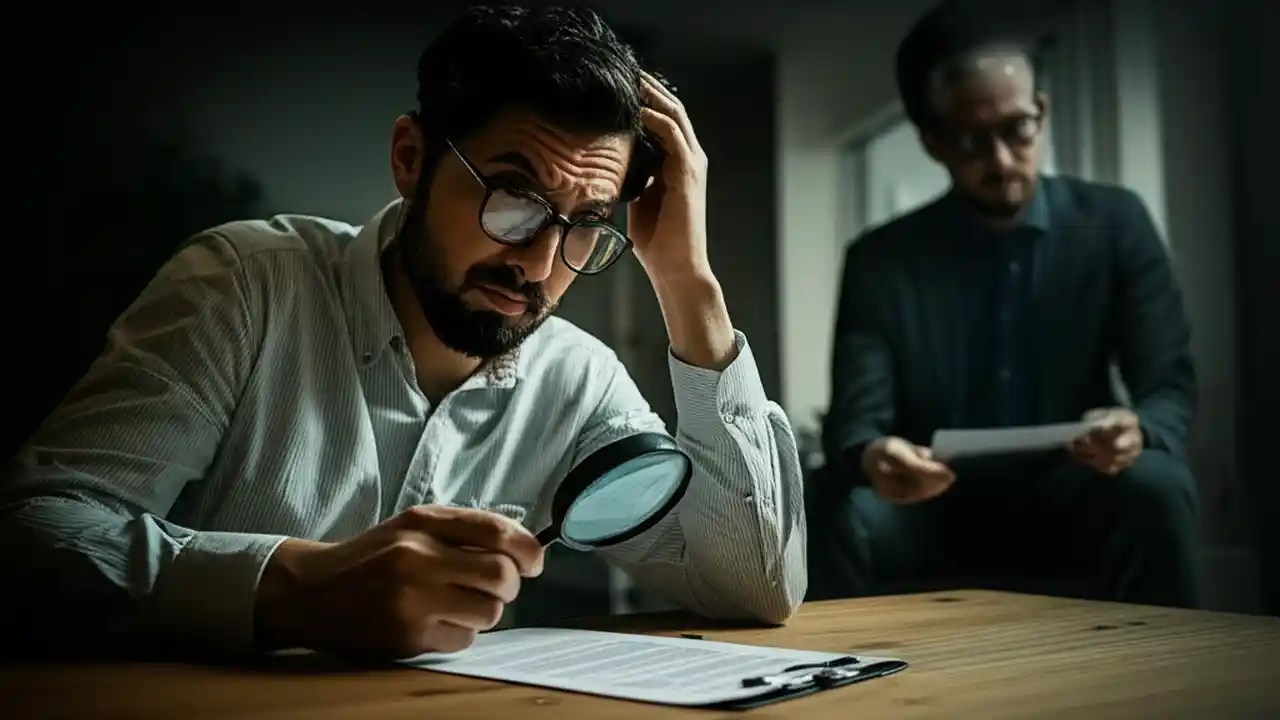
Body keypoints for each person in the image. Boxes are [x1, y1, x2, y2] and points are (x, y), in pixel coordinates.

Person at [1, 5, 806, 659]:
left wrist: (687, 282)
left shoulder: (578, 377)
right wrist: (294, 589)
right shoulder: (241, 287)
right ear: (411, 157)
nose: (535, 261)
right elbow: (31, 536)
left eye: (584, 225)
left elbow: (756, 589)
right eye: (513, 197)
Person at [811, 0, 1202, 608]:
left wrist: (1140, 428)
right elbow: (855, 422)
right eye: (972, 139)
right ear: (933, 141)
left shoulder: (1116, 222)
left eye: (1017, 129)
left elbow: (1168, 385)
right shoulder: (878, 260)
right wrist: (871, 456)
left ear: (1042, 113)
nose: (1000, 161)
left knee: (1157, 481)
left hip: (1075, 491)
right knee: (831, 502)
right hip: (931, 505)